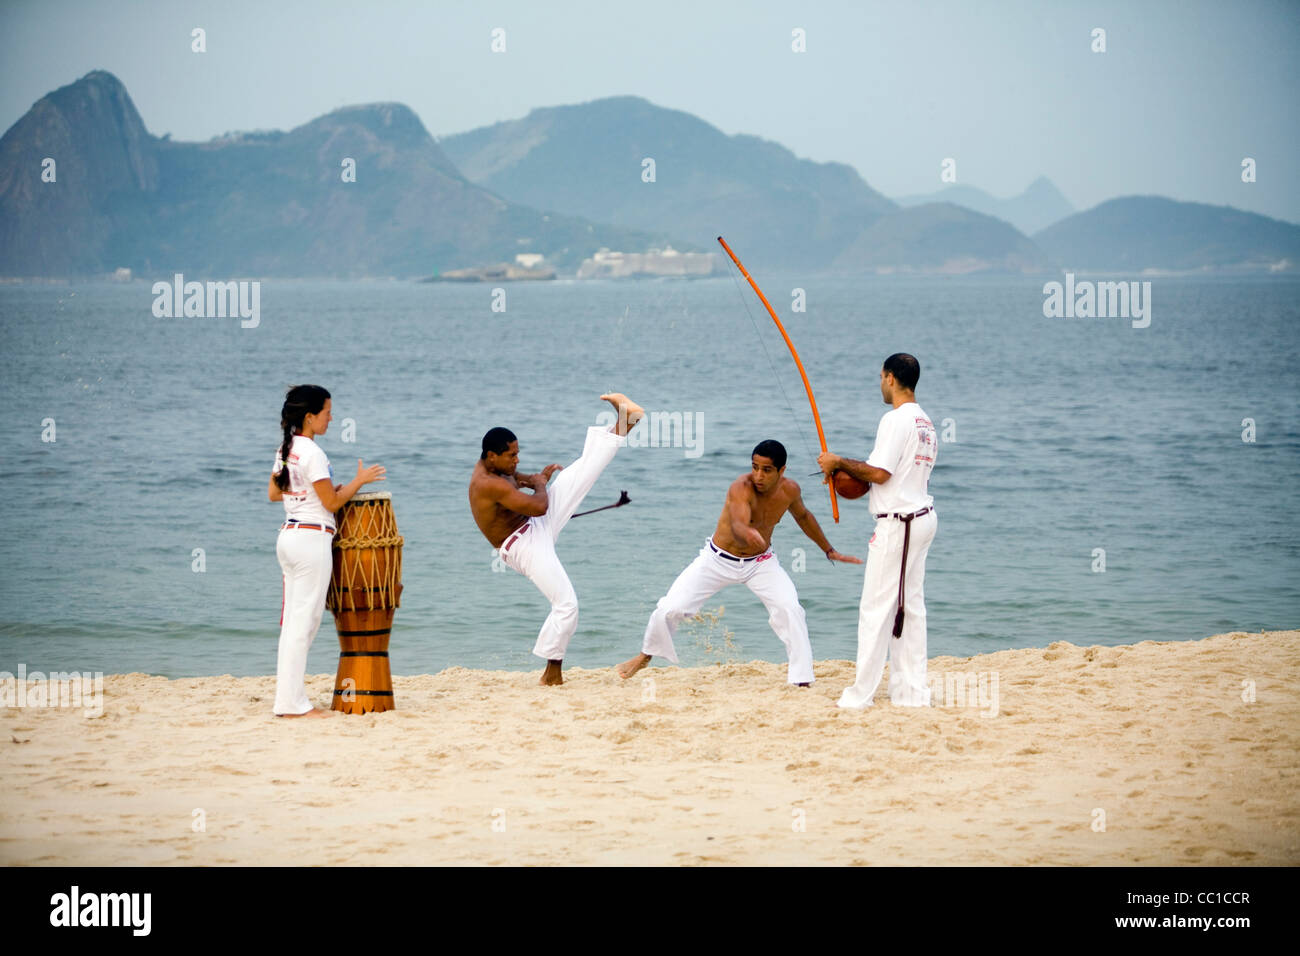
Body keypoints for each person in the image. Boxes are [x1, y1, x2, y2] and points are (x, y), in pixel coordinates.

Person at [617, 440, 861, 686]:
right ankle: (645, 655)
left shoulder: (790, 490)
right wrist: (747, 532)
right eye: (755, 467)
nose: (758, 475)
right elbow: (738, 521)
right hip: (717, 560)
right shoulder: (740, 488)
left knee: (791, 609)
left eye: (766, 470)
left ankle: (801, 679)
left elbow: (803, 516)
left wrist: (828, 550)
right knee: (670, 609)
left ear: (782, 471)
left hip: (760, 563)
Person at [469, 393, 644, 686]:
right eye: (512, 455)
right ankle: (552, 672)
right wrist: (539, 485)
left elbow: (521, 480)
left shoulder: (499, 468)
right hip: (523, 545)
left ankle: (625, 423)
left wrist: (538, 479)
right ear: (491, 456)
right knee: (566, 604)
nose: (517, 459)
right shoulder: (487, 484)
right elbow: (540, 505)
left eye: (517, 452)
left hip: (533, 525)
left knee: (577, 475)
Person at [818, 353, 937, 708]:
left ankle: (859, 696)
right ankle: (911, 693)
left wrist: (838, 462)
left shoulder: (895, 419)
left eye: (880, 377)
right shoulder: (925, 422)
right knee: (910, 607)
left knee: (876, 609)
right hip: (922, 518)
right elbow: (889, 473)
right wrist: (851, 473)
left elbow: (881, 473)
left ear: (889, 378)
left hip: (899, 523)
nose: (879, 383)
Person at [267, 385, 385, 718]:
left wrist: (312, 492)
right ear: (310, 416)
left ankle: (287, 700)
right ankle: (292, 704)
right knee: (304, 624)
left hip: (289, 537)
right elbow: (332, 503)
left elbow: (276, 495)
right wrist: (359, 480)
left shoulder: (286, 449)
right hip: (311, 542)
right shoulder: (313, 453)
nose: (332, 418)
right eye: (327, 412)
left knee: (293, 623)